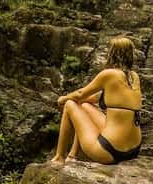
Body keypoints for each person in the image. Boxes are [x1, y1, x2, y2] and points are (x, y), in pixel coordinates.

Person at [50, 36, 142, 165]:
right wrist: (81, 100)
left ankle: (59, 157)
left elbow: (80, 94)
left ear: (112, 53)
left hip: (109, 151)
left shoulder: (109, 74)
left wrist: (63, 98)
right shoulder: (134, 77)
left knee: (70, 104)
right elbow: (93, 98)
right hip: (132, 151)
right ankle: (72, 156)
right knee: (85, 106)